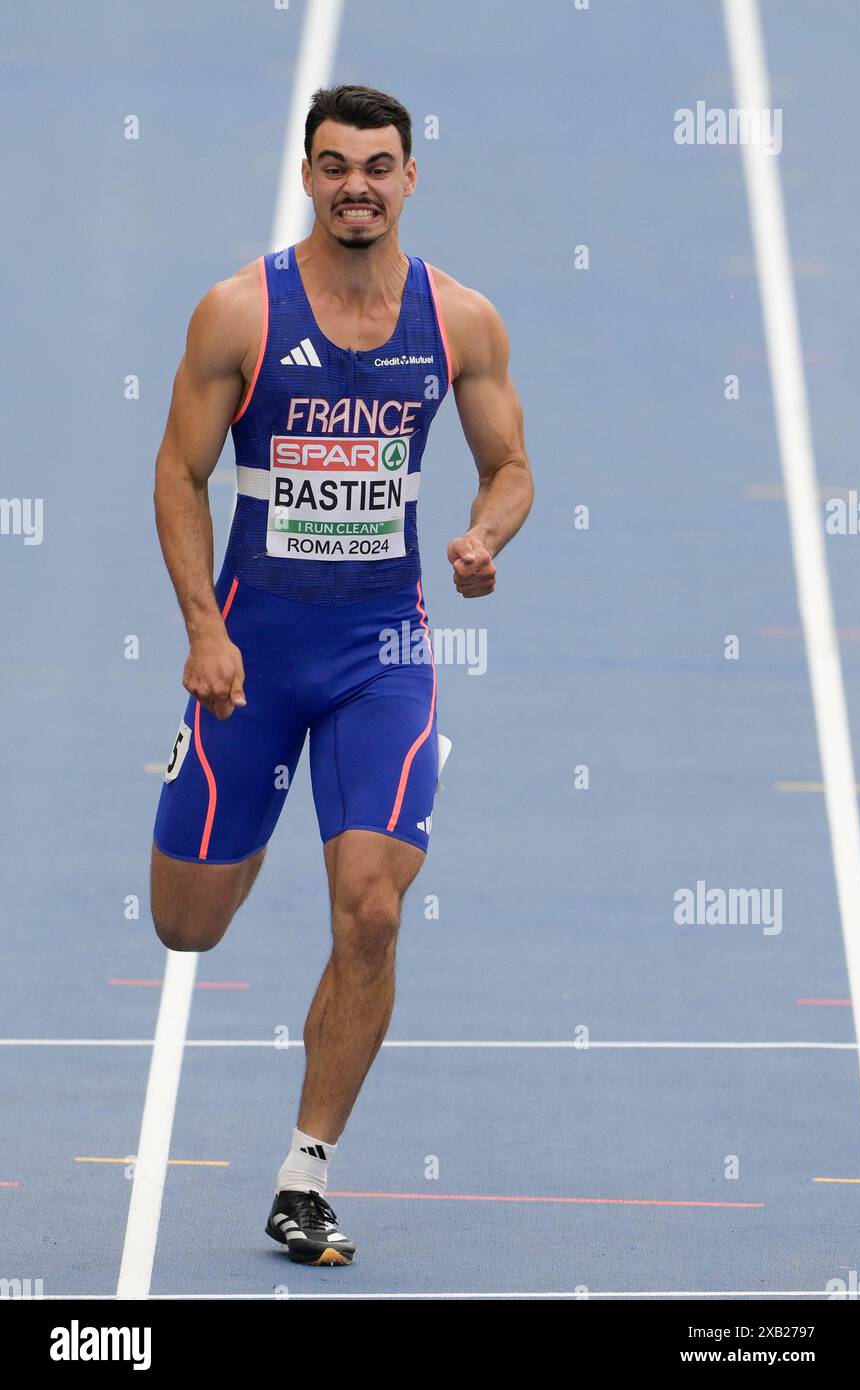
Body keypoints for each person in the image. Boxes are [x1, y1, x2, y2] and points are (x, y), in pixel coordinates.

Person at [150, 84, 533, 1266]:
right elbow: (177, 474)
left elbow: (511, 464)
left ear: (410, 176)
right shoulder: (238, 314)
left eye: (377, 164)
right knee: (186, 925)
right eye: (334, 164)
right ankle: (230, 803)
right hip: (252, 656)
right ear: (307, 176)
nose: (356, 183)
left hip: (385, 653)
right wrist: (206, 628)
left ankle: (305, 1169)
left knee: (370, 906)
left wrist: (482, 536)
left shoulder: (460, 321)